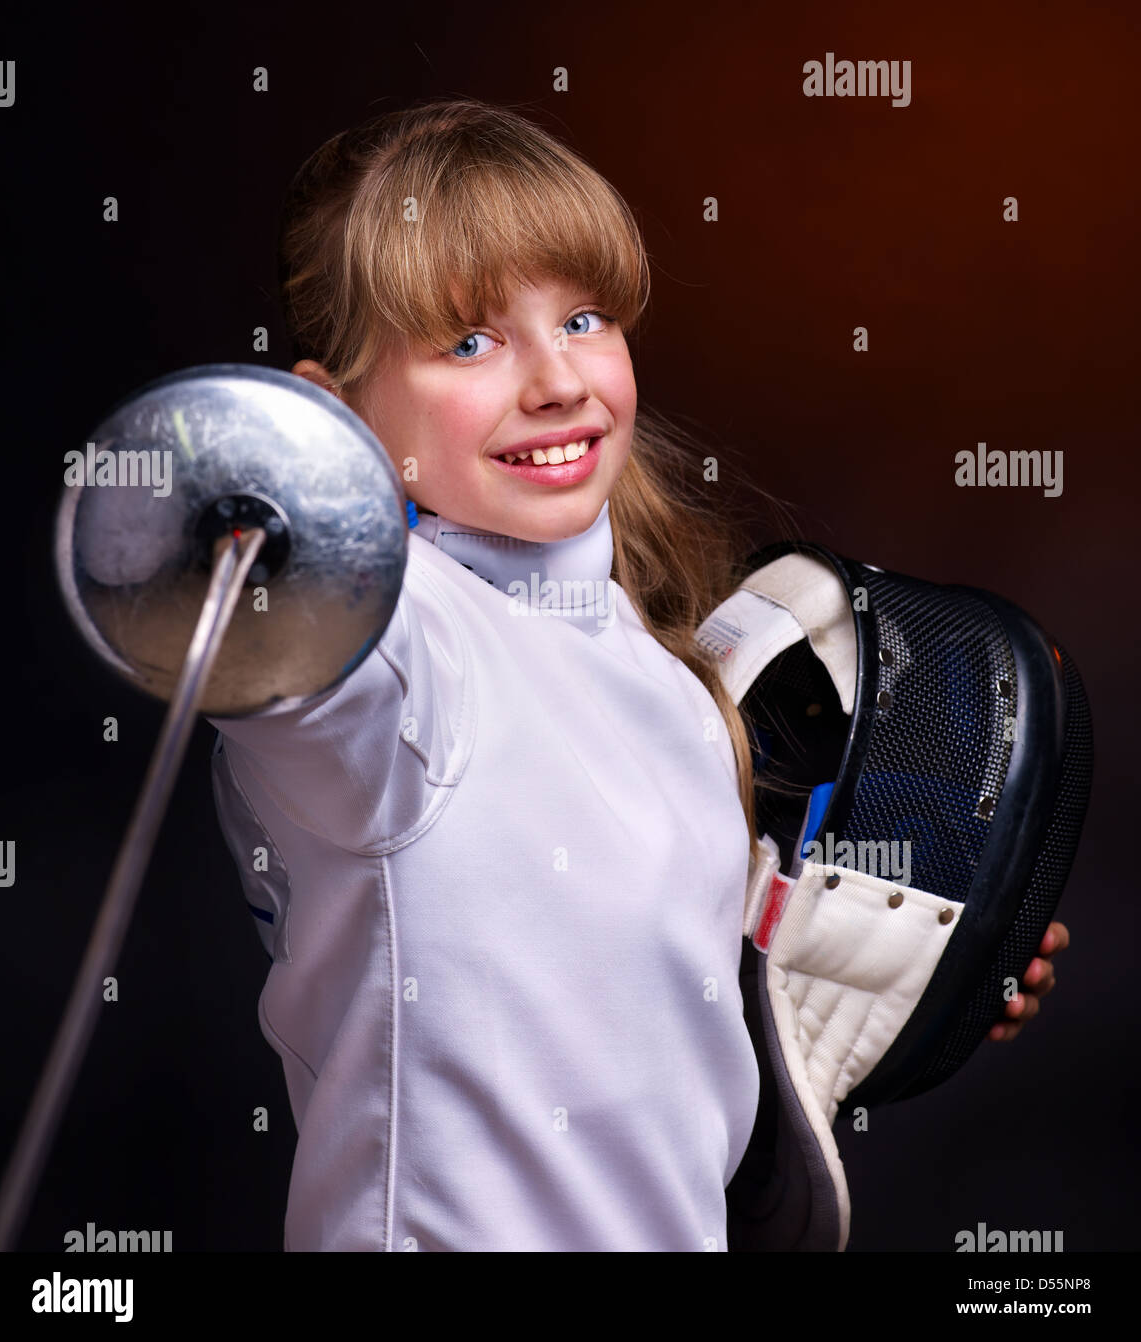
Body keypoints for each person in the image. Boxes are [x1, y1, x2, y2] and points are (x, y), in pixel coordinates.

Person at [207, 96, 1066, 1252]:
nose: (557, 381)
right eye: (468, 340)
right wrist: (243, 483)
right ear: (336, 407)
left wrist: (929, 963)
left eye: (585, 316)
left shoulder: (665, 672)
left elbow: (663, 1000)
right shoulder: (396, 643)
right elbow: (295, 630)